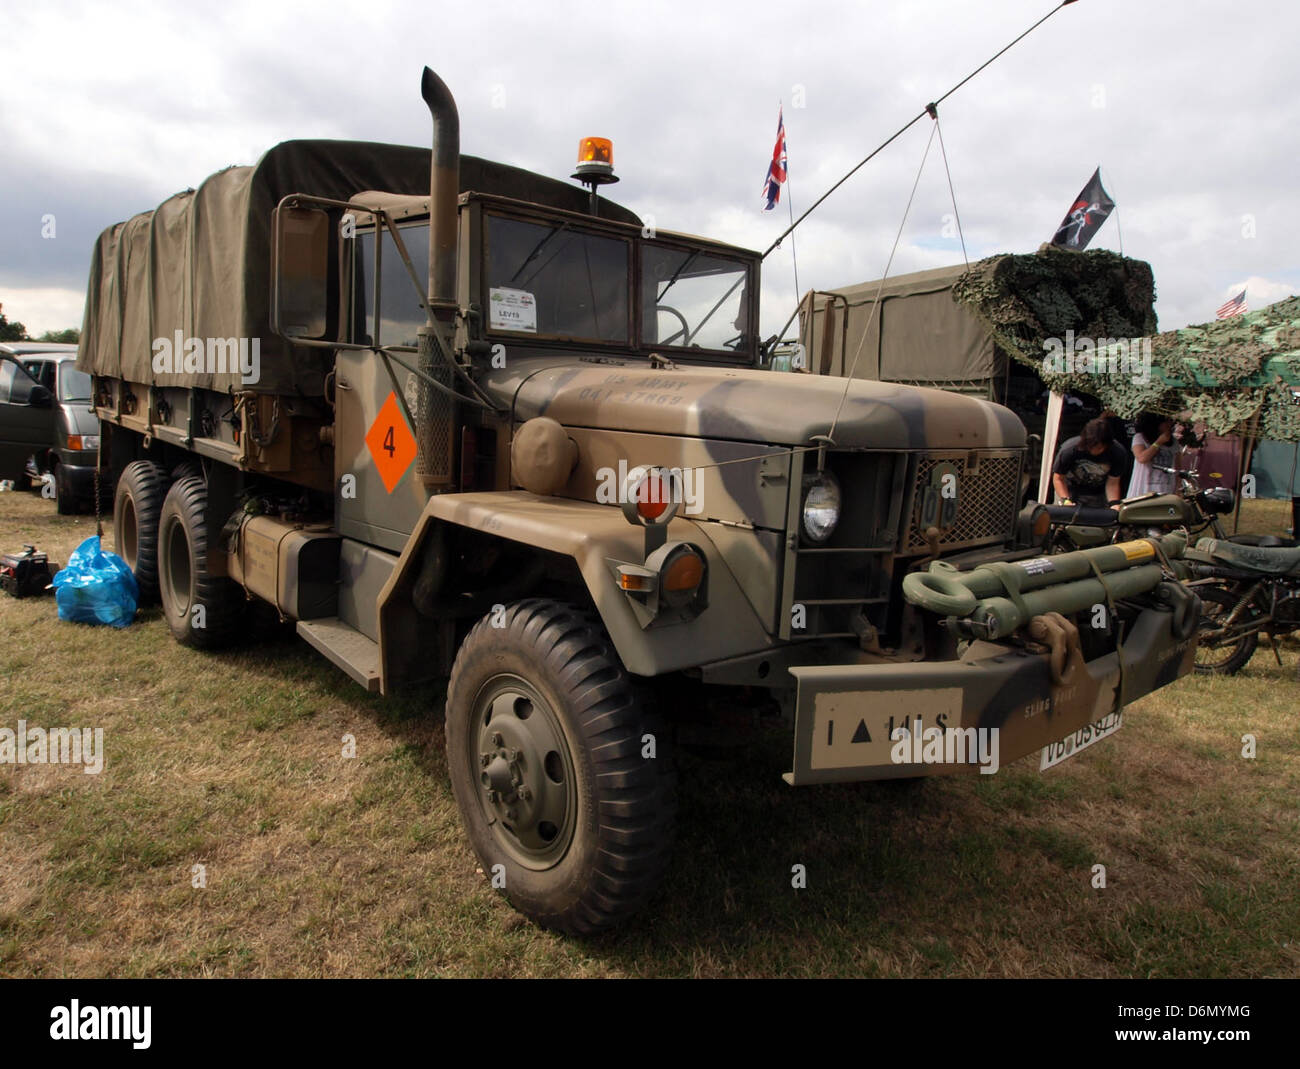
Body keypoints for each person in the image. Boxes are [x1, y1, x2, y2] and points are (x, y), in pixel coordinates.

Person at [1052, 417, 1128, 508]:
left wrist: (1114, 504)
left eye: (1099, 447)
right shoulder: (1069, 450)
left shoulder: (1117, 452)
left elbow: (1113, 483)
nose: (1094, 450)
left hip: (1098, 495)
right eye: (1091, 446)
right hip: (1069, 490)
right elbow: (1058, 479)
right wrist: (1065, 500)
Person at [1127, 412, 1176, 497]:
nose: (1169, 424)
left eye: (1170, 421)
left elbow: (1177, 467)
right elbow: (1142, 458)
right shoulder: (1139, 437)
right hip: (1143, 490)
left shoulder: (1174, 442)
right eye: (1166, 421)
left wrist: (1178, 489)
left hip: (1165, 490)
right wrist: (1158, 442)